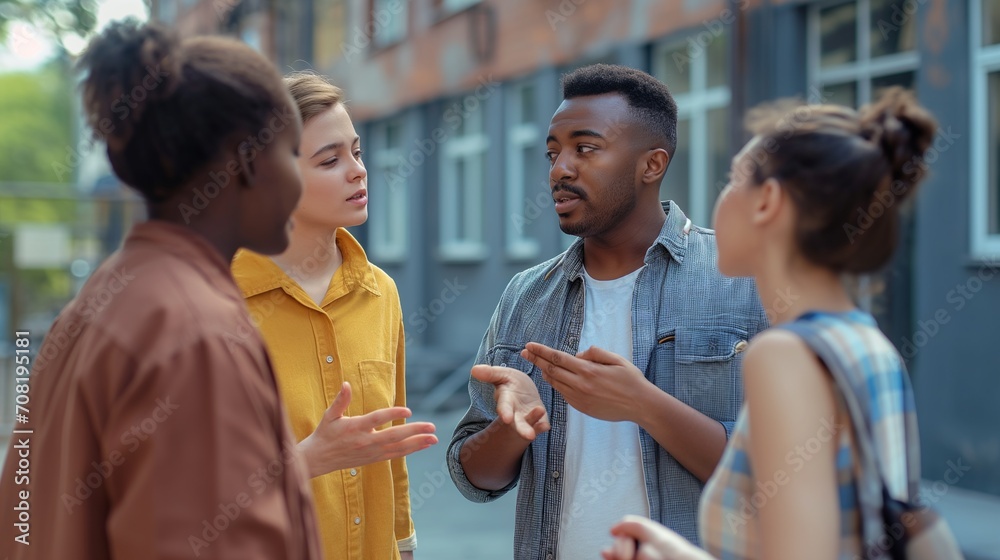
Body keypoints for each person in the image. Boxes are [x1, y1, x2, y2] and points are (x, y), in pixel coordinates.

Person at [0, 19, 321, 560]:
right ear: (246, 158)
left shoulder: (103, 299)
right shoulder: (196, 335)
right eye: (293, 152)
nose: (301, 179)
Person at [446, 63, 768, 560]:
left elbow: (781, 478)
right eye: (553, 153)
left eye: (585, 148)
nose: (560, 169)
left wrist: (643, 405)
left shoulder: (743, 280)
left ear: (652, 164)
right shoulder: (525, 295)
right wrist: (513, 427)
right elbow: (474, 479)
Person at [601, 87, 938, 560]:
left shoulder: (783, 355)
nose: (720, 199)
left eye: (732, 179)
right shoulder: (865, 342)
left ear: (767, 202)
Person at [231, 71, 437, 560]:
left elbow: (391, 457)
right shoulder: (214, 305)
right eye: (330, 159)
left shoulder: (380, 293)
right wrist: (304, 462)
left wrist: (405, 549)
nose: (358, 170)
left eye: (357, 152)